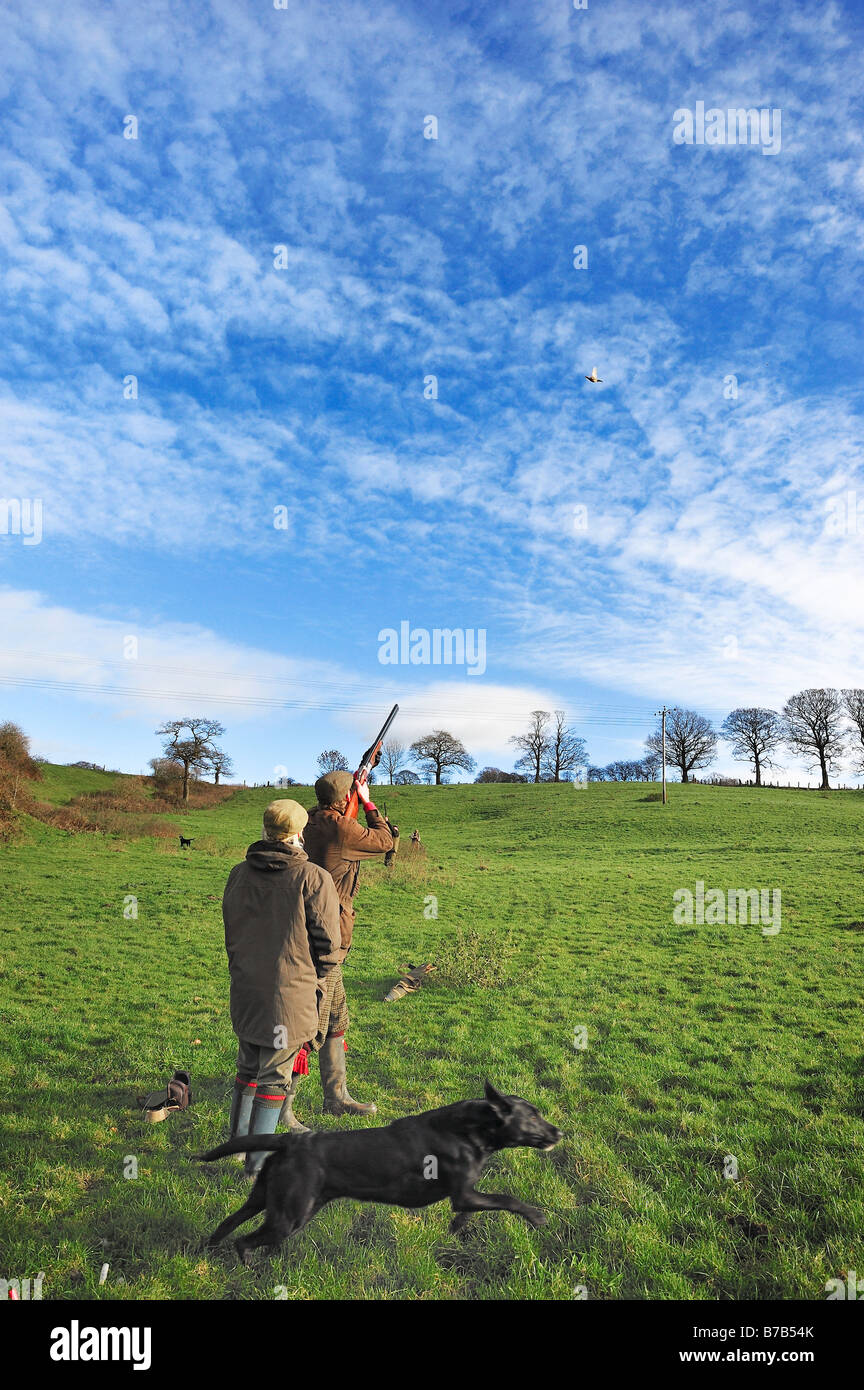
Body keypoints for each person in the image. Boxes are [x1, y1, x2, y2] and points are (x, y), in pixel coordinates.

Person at [222, 799, 341, 1175]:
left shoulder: (238, 874)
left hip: (246, 990)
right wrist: (317, 979)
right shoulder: (313, 877)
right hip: (290, 995)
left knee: (247, 1068)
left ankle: (240, 1149)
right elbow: (329, 944)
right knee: (275, 1076)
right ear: (298, 834)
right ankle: (258, 1162)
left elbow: (232, 932)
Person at [302, 769, 393, 1116]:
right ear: (344, 800)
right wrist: (368, 799)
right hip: (325, 942)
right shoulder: (341, 827)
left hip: (319, 937)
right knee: (311, 1027)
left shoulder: (311, 820)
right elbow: (384, 841)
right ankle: (284, 1107)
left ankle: (336, 1098)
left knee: (337, 1021)